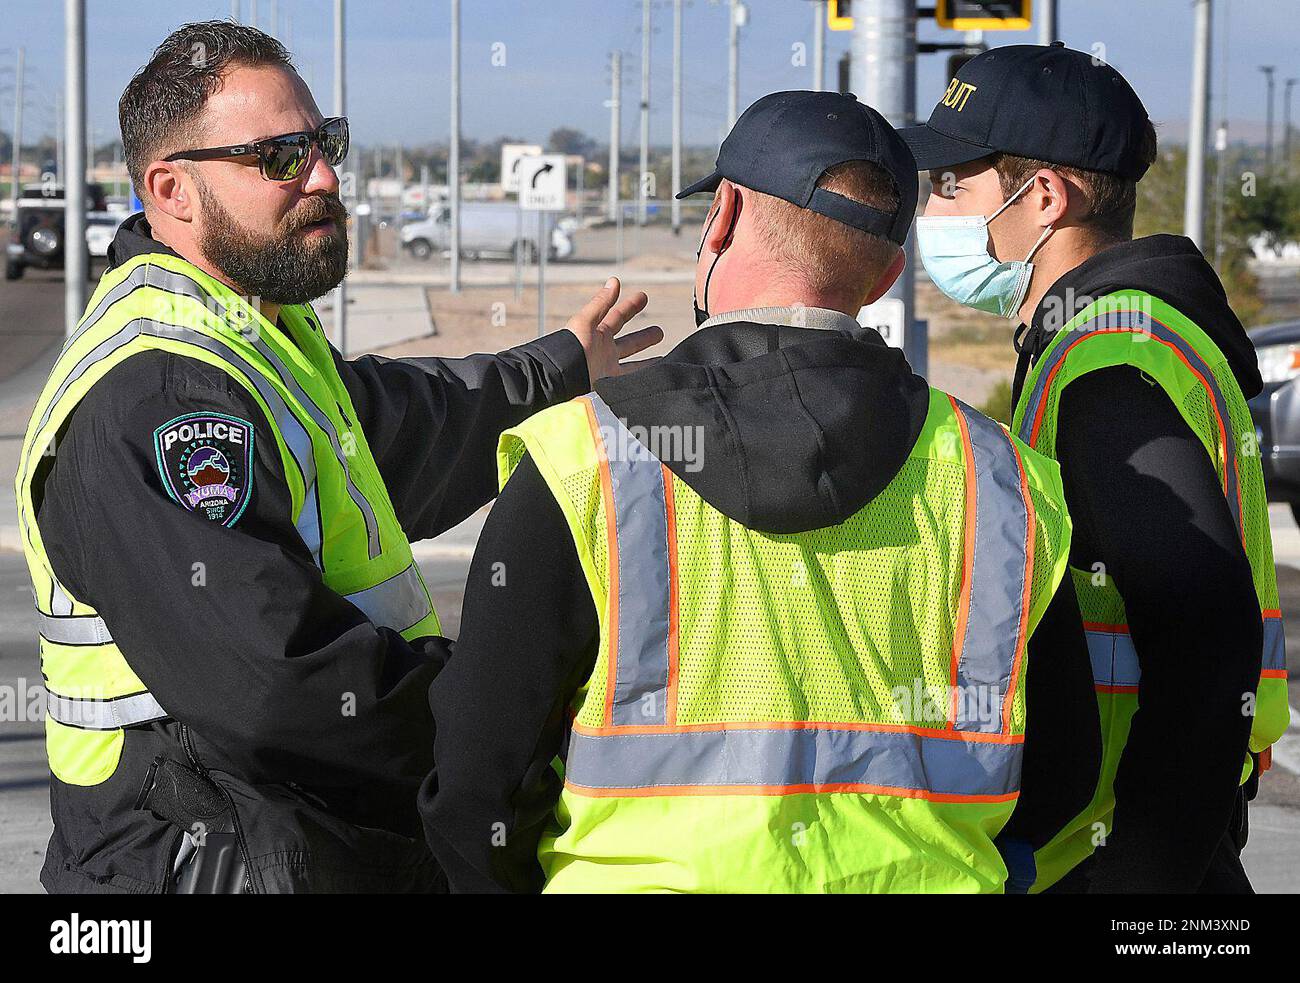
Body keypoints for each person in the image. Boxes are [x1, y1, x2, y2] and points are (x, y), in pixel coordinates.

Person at [15, 20, 660, 894]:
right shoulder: (162, 393)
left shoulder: (253, 336)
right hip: (205, 864)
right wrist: (498, 716)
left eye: (325, 143)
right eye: (279, 155)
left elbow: (406, 428)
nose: (322, 176)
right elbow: (278, 685)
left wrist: (560, 369)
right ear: (173, 190)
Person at [418, 90, 1098, 893]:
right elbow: (1063, 772)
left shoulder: (586, 458)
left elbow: (476, 787)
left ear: (723, 215)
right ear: (887, 274)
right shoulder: (1003, 481)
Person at [900, 42, 1289, 893]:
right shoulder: (1119, 333)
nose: (931, 210)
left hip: (1118, 846)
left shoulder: (1107, 360)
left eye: (951, 186)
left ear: (1043, 197)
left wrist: (1141, 880)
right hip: (1163, 827)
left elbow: (1204, 635)